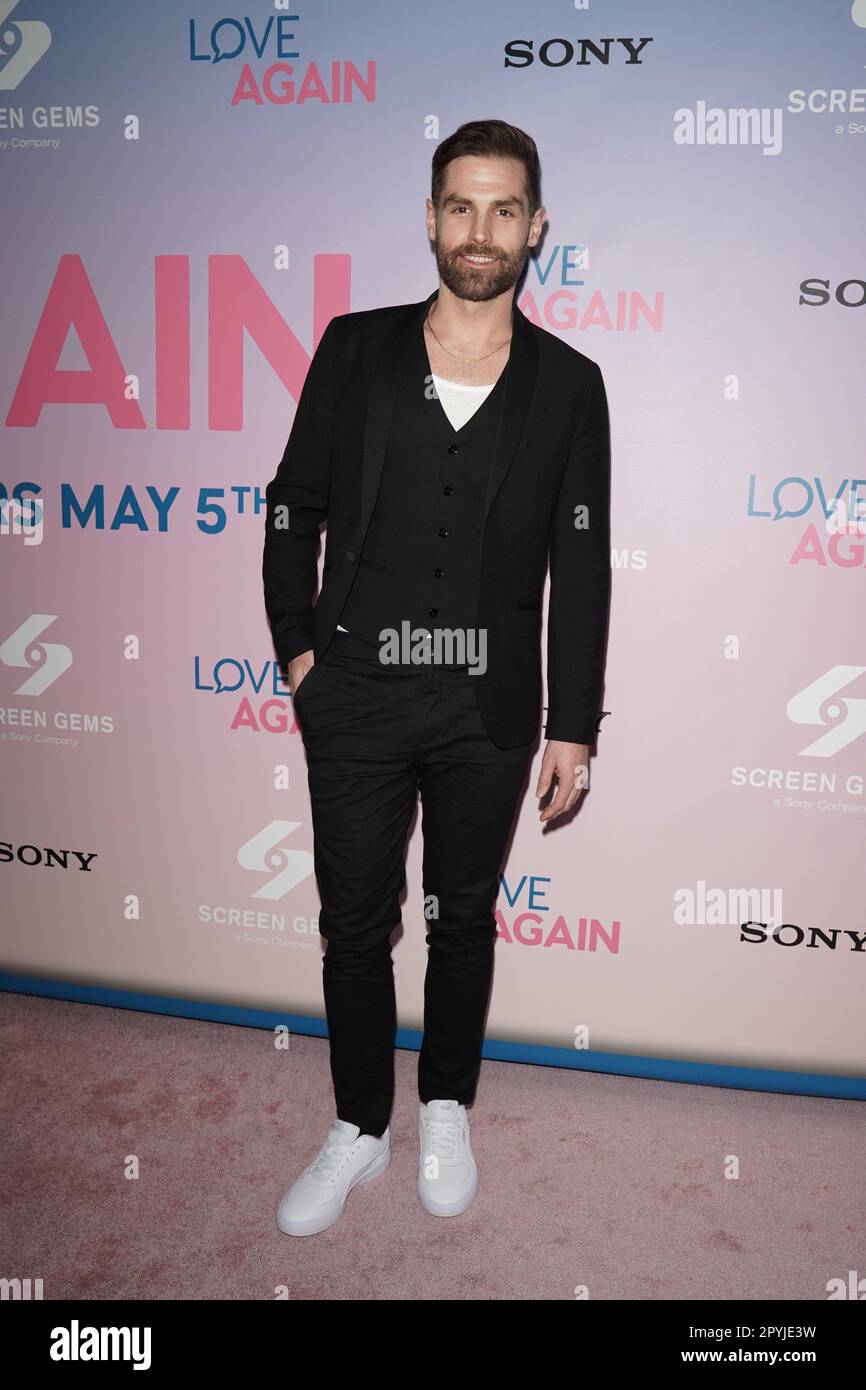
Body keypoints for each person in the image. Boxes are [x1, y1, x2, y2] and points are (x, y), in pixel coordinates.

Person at [262, 118, 611, 1237]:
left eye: (503, 209)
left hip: (489, 705)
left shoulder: (570, 384)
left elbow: (580, 561)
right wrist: (301, 656)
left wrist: (571, 723)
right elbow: (289, 507)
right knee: (353, 924)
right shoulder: (354, 349)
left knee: (463, 921)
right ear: (428, 218)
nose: (480, 230)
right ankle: (359, 1121)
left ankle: (444, 1100)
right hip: (354, 691)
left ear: (535, 227)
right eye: (459, 206)